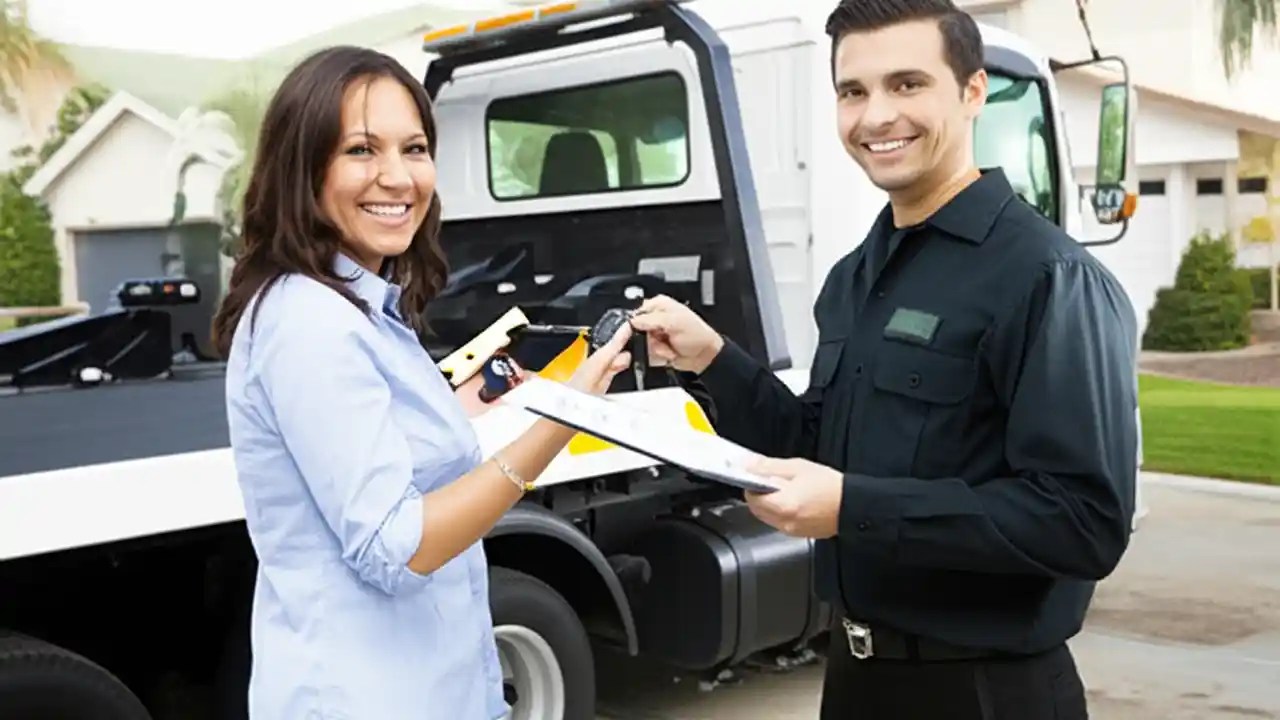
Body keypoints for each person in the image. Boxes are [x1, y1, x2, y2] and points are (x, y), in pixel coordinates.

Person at [630, 1, 1139, 718]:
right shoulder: (855, 276)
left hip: (984, 691)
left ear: (972, 91)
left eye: (907, 84)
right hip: (857, 679)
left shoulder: (1047, 276)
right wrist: (714, 358)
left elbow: (1082, 521)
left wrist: (852, 507)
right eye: (853, 91)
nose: (875, 117)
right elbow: (816, 446)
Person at [211, 45, 632, 719]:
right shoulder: (312, 321)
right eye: (361, 150)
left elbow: (379, 446)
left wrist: (462, 407)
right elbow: (397, 547)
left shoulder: (361, 304)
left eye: (414, 149)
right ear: (302, 166)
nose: (398, 177)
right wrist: (565, 417)